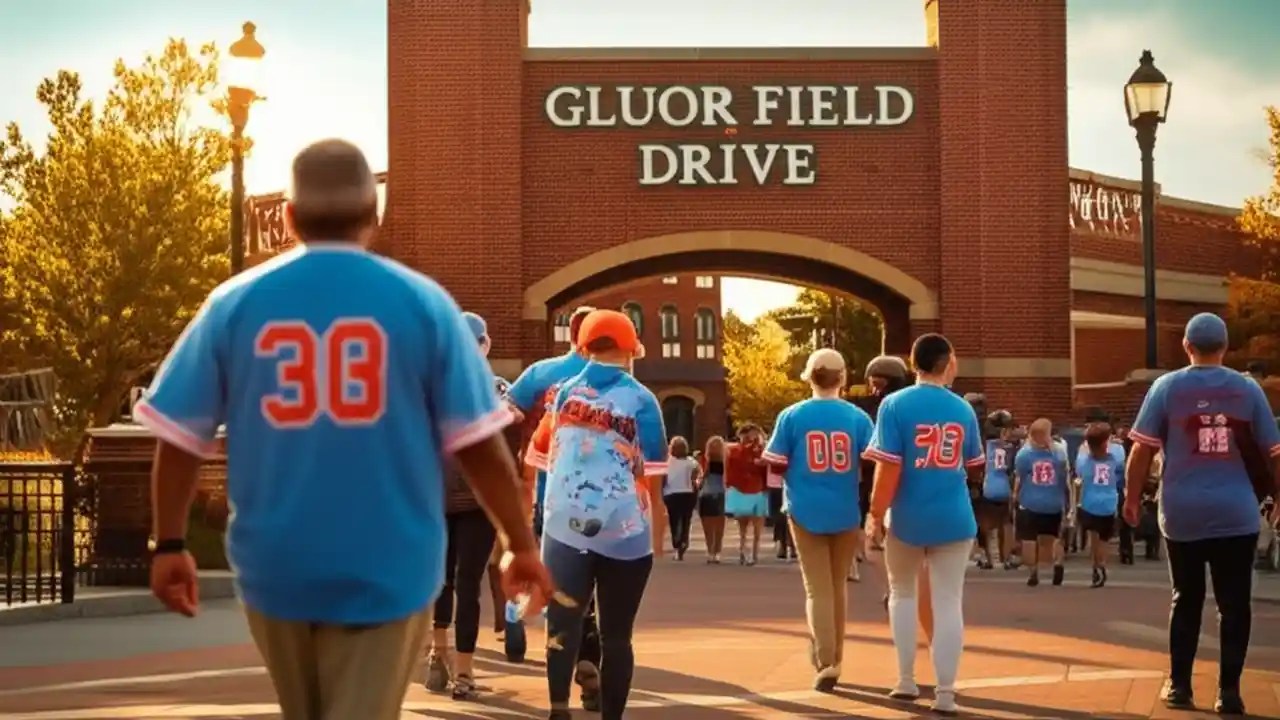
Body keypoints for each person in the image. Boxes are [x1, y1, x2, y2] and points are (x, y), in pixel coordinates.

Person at [136, 139, 551, 720]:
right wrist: (520, 544)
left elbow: (179, 434)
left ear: (288, 216)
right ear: (374, 217)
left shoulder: (235, 303)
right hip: (389, 563)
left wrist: (171, 542)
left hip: (275, 563)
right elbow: (479, 444)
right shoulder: (423, 305)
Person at [1124, 313, 1280, 715]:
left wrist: (1130, 497)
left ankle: (1179, 687)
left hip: (1182, 510)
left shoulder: (1166, 387)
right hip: (1237, 511)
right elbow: (1274, 453)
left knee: (1186, 597)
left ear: (1187, 347)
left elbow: (1141, 449)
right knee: (1234, 603)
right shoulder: (1248, 390)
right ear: (1225, 347)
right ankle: (1229, 691)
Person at [527, 309, 668, 720]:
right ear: (630, 347)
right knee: (617, 636)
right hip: (625, 528)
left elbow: (537, 455)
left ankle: (558, 710)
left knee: (562, 626)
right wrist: (656, 529)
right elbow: (655, 471)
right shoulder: (642, 399)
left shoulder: (562, 394)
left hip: (563, 525)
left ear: (583, 345)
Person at [864, 333, 984, 715]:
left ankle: (905, 679)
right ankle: (946, 691)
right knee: (949, 602)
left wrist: (875, 513)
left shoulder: (894, 405)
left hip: (907, 515)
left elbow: (888, 465)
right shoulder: (963, 409)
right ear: (946, 361)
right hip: (954, 514)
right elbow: (974, 464)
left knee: (903, 594)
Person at [506, 305, 603, 711]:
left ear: (569, 333)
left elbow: (507, 413)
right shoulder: (614, 381)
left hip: (549, 494)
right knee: (591, 585)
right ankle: (587, 662)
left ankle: (518, 615)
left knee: (556, 578)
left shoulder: (541, 374)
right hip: (599, 500)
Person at [762, 348, 875, 692]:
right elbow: (873, 460)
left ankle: (826, 659)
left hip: (804, 507)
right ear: (842, 377)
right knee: (837, 586)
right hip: (845, 508)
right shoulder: (857, 417)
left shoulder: (792, 416)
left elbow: (776, 463)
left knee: (817, 588)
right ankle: (835, 656)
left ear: (809, 377)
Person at [422, 312, 520, 698]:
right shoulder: (494, 387)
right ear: (485, 345)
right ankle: (462, 672)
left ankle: (438, 651)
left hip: (439, 496)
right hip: (478, 499)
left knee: (442, 580)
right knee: (466, 583)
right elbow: (511, 420)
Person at [1013, 419, 1072, 587]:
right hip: (1054, 502)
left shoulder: (1024, 454)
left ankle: (1033, 572)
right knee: (1055, 537)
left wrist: (1015, 496)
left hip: (1030, 502)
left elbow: (1020, 479)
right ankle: (1058, 563)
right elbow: (1065, 480)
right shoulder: (1059, 453)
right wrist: (1068, 502)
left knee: (1029, 539)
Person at [1075, 422, 1124, 589]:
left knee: (1094, 538)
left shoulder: (1084, 459)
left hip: (1089, 501)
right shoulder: (1116, 457)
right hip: (1109, 502)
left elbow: (1079, 473)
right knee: (1105, 538)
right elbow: (1121, 472)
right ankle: (1102, 564)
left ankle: (1095, 567)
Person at [977, 410, 1018, 570]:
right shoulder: (1011, 448)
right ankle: (1006, 558)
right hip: (1005, 486)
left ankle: (988, 558)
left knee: (986, 524)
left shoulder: (985, 447)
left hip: (989, 486)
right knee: (1006, 523)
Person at [725, 424, 770, 565]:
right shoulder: (735, 451)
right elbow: (734, 467)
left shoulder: (762, 450)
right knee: (742, 526)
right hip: (742, 490)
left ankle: (754, 554)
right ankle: (743, 551)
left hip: (758, 489)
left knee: (757, 525)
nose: (750, 438)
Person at [662, 436, 700, 561]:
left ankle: (676, 542)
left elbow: (663, 478)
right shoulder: (691, 462)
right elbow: (696, 476)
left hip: (671, 494)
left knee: (674, 519)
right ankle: (684, 540)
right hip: (687, 493)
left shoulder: (667, 462)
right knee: (686, 519)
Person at [698, 436, 728, 563]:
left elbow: (702, 479)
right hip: (721, 494)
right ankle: (717, 551)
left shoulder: (705, 461)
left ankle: (710, 551)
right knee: (719, 526)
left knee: (707, 527)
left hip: (706, 494)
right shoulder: (726, 463)